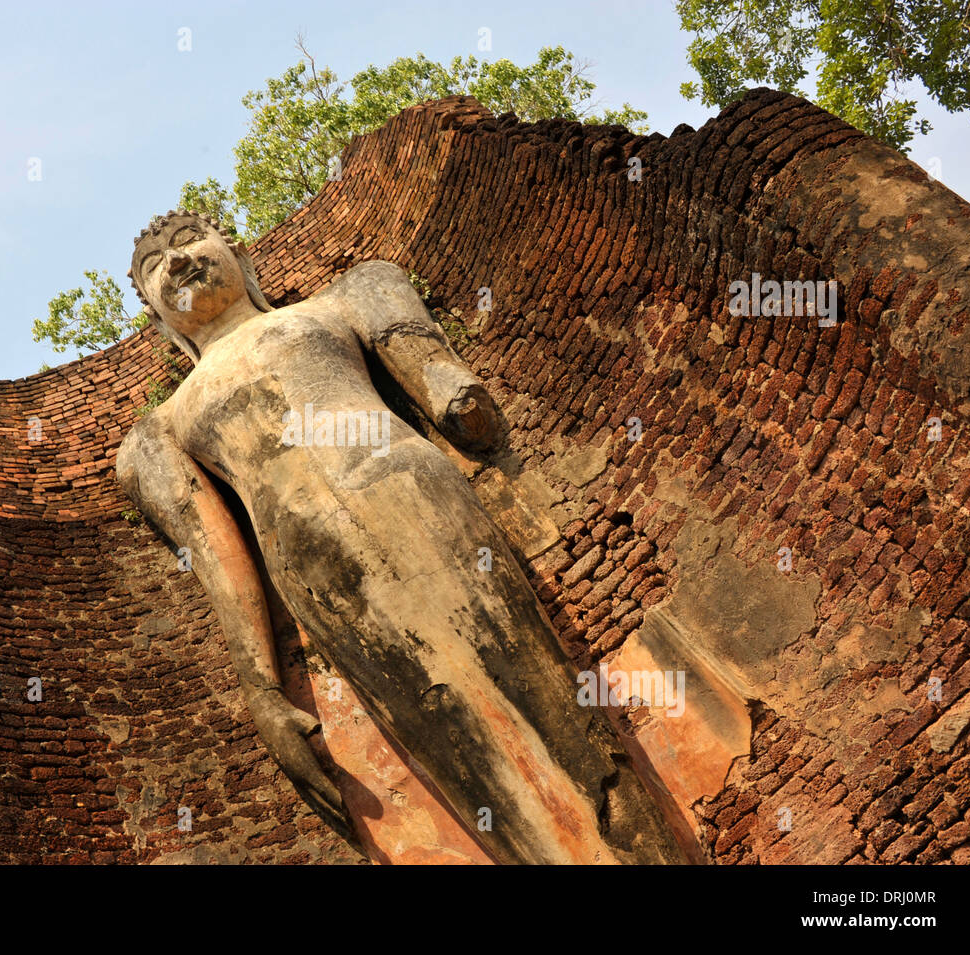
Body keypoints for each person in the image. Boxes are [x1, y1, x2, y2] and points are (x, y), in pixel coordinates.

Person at [116, 209, 685, 864]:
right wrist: (263, 691)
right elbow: (218, 558)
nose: (178, 260)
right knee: (449, 735)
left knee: (545, 691)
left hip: (413, 495)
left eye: (189, 240)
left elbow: (447, 390)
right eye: (155, 264)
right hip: (316, 569)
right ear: (159, 320)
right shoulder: (158, 430)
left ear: (238, 255)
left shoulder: (343, 298)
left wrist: (455, 395)